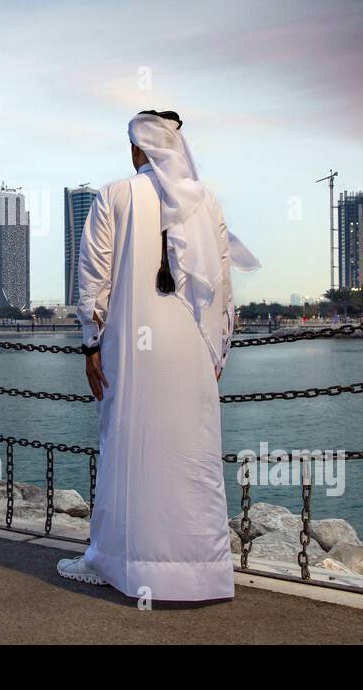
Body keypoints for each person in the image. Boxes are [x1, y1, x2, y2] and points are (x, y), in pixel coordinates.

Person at [57, 110, 259, 601]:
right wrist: (220, 349)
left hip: (131, 348)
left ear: (137, 148)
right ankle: (200, 574)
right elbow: (224, 287)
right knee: (191, 452)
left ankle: (118, 562)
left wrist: (90, 343)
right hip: (191, 350)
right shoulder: (206, 202)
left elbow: (92, 280)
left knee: (129, 445)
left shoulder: (115, 195)